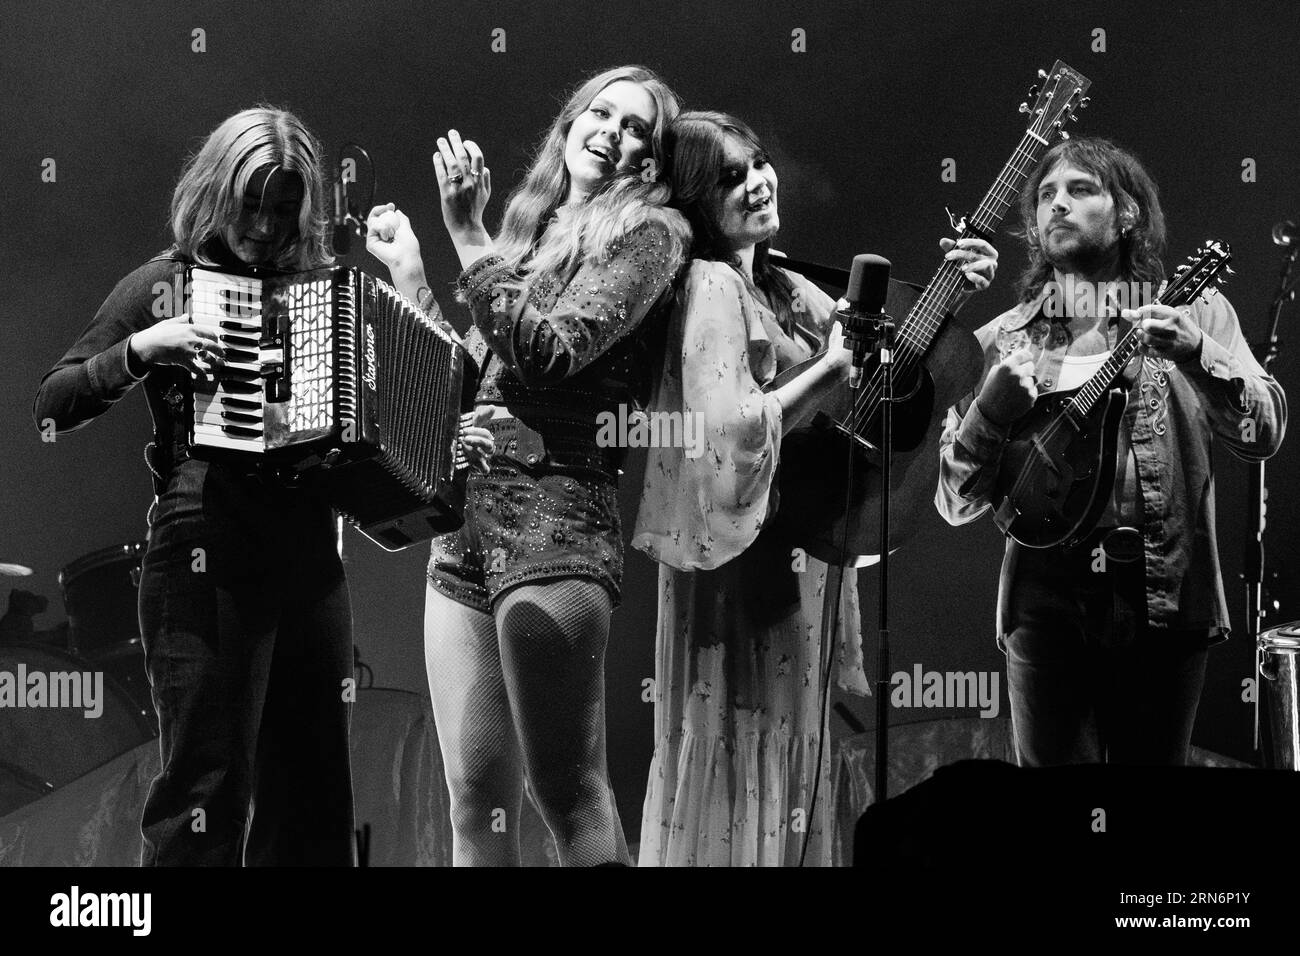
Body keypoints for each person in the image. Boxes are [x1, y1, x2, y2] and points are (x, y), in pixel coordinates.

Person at [634, 111, 999, 865]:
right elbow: (723, 437)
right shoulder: (708, 285)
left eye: (758, 162)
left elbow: (879, 396)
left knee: (789, 763)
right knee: (740, 760)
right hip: (742, 575)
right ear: (698, 201)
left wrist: (949, 293)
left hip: (801, 565)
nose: (758, 182)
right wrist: (831, 370)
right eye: (730, 177)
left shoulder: (789, 285)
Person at [365, 65, 690, 866]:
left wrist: (467, 237)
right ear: (570, 121)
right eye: (601, 112)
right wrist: (412, 277)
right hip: (463, 541)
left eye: (637, 128)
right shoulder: (530, 235)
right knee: (475, 804)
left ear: (651, 158)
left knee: (569, 796)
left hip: (557, 526)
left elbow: (551, 350)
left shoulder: (651, 237)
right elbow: (476, 380)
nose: (612, 132)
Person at [33, 107, 357, 864]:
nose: (267, 226)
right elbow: (54, 401)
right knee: (206, 792)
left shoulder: (316, 291)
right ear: (216, 189)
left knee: (315, 800)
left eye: (283, 209)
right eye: (251, 204)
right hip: (206, 548)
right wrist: (146, 347)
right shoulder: (166, 283)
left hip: (310, 556)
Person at [936, 137, 1287, 767]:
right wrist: (987, 413)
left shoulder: (1193, 311)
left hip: (1161, 592)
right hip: (1043, 601)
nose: (1058, 206)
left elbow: (1262, 432)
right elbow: (953, 503)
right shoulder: (1003, 340)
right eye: (1045, 196)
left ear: (1126, 214)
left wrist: (1197, 355)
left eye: (1080, 189)